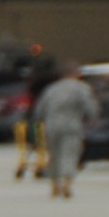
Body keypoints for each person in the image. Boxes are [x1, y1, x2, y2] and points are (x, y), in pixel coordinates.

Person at [36, 63, 96, 200]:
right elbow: (90, 105)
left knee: (54, 155)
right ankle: (67, 185)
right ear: (76, 73)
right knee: (70, 154)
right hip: (72, 126)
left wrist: (40, 120)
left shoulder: (52, 89)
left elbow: (40, 108)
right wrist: (93, 117)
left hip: (51, 125)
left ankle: (54, 186)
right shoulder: (82, 88)